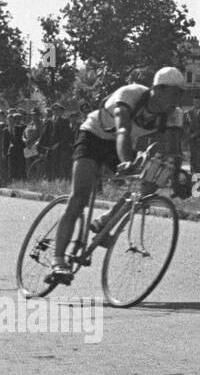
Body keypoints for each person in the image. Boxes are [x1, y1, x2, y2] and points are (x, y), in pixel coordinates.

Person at [48, 67, 188, 282]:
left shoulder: (173, 113)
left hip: (121, 145)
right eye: (171, 95)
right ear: (156, 89)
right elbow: (122, 130)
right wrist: (126, 162)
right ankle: (58, 261)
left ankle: (106, 219)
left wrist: (179, 177)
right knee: (80, 196)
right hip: (93, 137)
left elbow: (173, 151)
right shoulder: (130, 94)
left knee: (153, 177)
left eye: (178, 95)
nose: (173, 102)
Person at [185, 100, 200, 176]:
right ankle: (193, 177)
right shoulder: (188, 113)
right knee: (193, 158)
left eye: (198, 102)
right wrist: (188, 134)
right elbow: (186, 125)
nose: (196, 104)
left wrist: (195, 134)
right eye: (195, 102)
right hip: (192, 140)